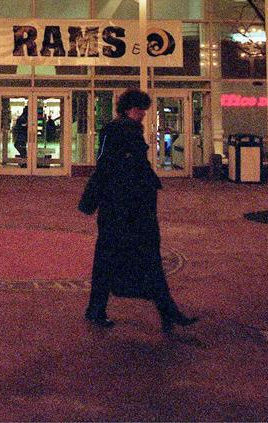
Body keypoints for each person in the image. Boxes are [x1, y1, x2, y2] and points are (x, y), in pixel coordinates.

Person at [82, 88, 198, 335]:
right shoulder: (122, 131)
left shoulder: (119, 130)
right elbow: (111, 167)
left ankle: (99, 309)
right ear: (128, 109)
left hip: (119, 209)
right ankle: (167, 312)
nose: (142, 115)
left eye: (143, 110)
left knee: (109, 259)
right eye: (139, 110)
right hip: (128, 210)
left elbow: (106, 166)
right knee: (144, 258)